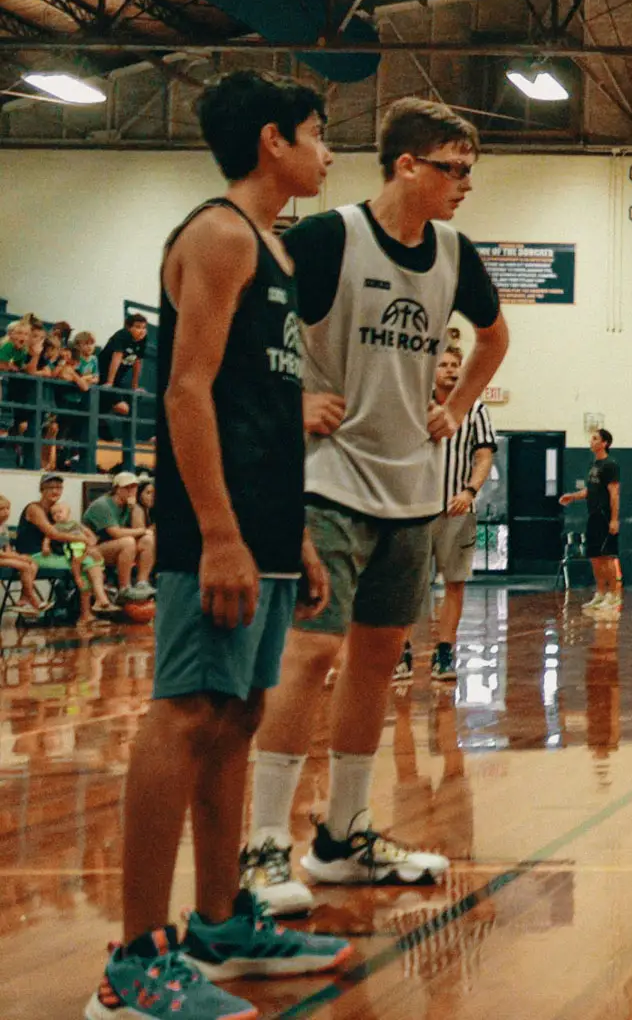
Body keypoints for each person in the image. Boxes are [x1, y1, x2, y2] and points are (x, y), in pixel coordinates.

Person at [89, 69, 353, 1020]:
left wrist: (297, 536)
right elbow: (187, 392)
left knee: (239, 715)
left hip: (271, 526)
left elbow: (263, 408)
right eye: (319, 135)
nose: (329, 153)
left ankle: (216, 923)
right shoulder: (215, 234)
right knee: (186, 713)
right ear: (273, 140)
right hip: (218, 529)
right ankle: (133, 959)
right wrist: (221, 535)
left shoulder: (274, 256)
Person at [244, 97, 510, 909]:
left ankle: (343, 835)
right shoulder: (328, 238)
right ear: (407, 165)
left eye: (470, 170)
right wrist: (287, 403)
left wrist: (458, 406)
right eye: (453, 169)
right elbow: (241, 329)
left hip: (411, 491)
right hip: (327, 480)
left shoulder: (456, 253)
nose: (466, 184)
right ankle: (260, 845)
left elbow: (494, 338)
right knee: (309, 655)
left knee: (375, 662)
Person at [397, 347, 496, 684]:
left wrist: (469, 491)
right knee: (409, 585)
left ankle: (444, 652)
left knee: (454, 583)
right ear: (431, 369)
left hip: (457, 510)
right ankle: (402, 652)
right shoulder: (412, 405)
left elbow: (484, 456)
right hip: (415, 511)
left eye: (457, 365)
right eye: (445, 364)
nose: (452, 370)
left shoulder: (476, 408)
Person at [20, 472, 110, 620]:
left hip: (55, 556)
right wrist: (82, 539)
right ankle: (89, 609)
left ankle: (92, 607)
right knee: (86, 564)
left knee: (87, 561)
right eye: (51, 487)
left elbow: (79, 528)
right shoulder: (34, 509)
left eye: (59, 487)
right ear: (42, 489)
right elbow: (53, 534)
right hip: (34, 556)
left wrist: (89, 544)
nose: (55, 491)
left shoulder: (57, 511)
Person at [560, 430, 622, 615]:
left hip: (605, 516)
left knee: (607, 556)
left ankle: (612, 595)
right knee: (595, 557)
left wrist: (614, 519)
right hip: (593, 516)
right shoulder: (594, 464)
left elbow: (614, 493)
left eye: (595, 438)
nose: (591, 441)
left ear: (604, 443)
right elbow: (590, 490)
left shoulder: (611, 465)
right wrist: (572, 496)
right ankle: (601, 593)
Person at [86, 470, 157, 601]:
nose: (132, 490)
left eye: (134, 487)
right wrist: (143, 531)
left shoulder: (129, 505)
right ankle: (125, 588)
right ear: (117, 489)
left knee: (148, 540)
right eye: (127, 487)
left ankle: (142, 583)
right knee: (128, 542)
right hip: (90, 550)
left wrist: (134, 507)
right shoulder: (102, 504)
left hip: (113, 547)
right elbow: (115, 532)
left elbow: (138, 530)